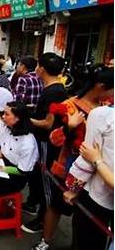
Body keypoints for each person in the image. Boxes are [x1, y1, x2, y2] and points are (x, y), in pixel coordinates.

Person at [31, 66, 113, 250]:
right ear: (101, 86)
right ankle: (45, 241)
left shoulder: (105, 109)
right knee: (57, 206)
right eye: (112, 89)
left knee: (86, 220)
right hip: (69, 167)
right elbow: (54, 138)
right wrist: (69, 127)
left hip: (98, 174)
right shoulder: (70, 105)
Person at [22, 53, 68, 234]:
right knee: (37, 179)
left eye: (38, 65)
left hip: (47, 143)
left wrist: (27, 118)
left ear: (41, 68)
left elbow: (48, 123)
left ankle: (43, 220)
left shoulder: (54, 91)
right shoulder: (52, 88)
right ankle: (34, 204)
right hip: (42, 141)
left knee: (46, 182)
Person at [63, 105, 113, 250]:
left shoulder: (103, 115)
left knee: (87, 239)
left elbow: (87, 158)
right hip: (102, 195)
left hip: (98, 195)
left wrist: (73, 189)